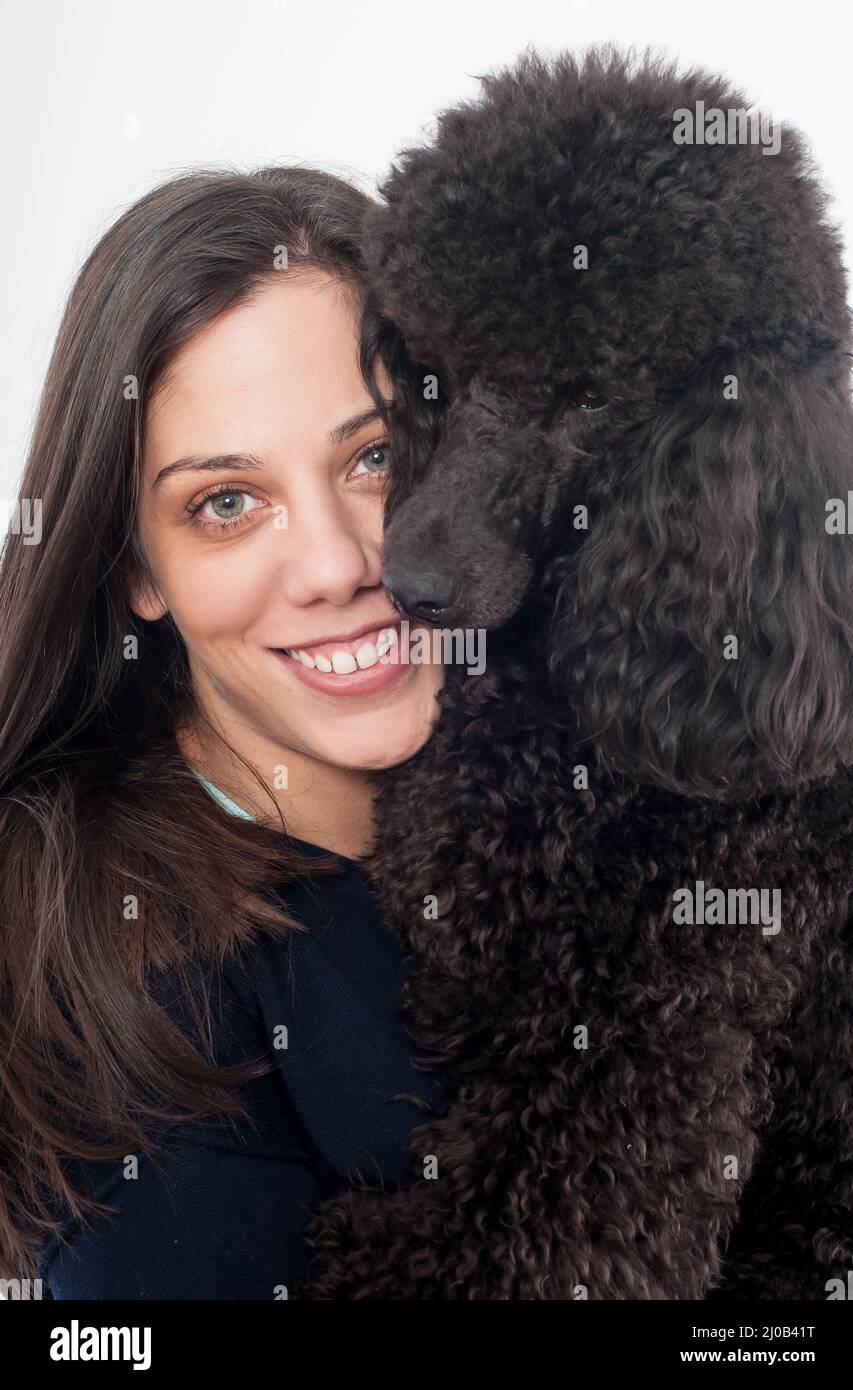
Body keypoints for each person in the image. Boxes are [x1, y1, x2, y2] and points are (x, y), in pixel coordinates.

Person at [0, 166, 446, 1298]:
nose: (341, 563)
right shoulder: (131, 974)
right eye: (227, 503)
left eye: (376, 456)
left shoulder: (619, 789)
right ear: (138, 570)